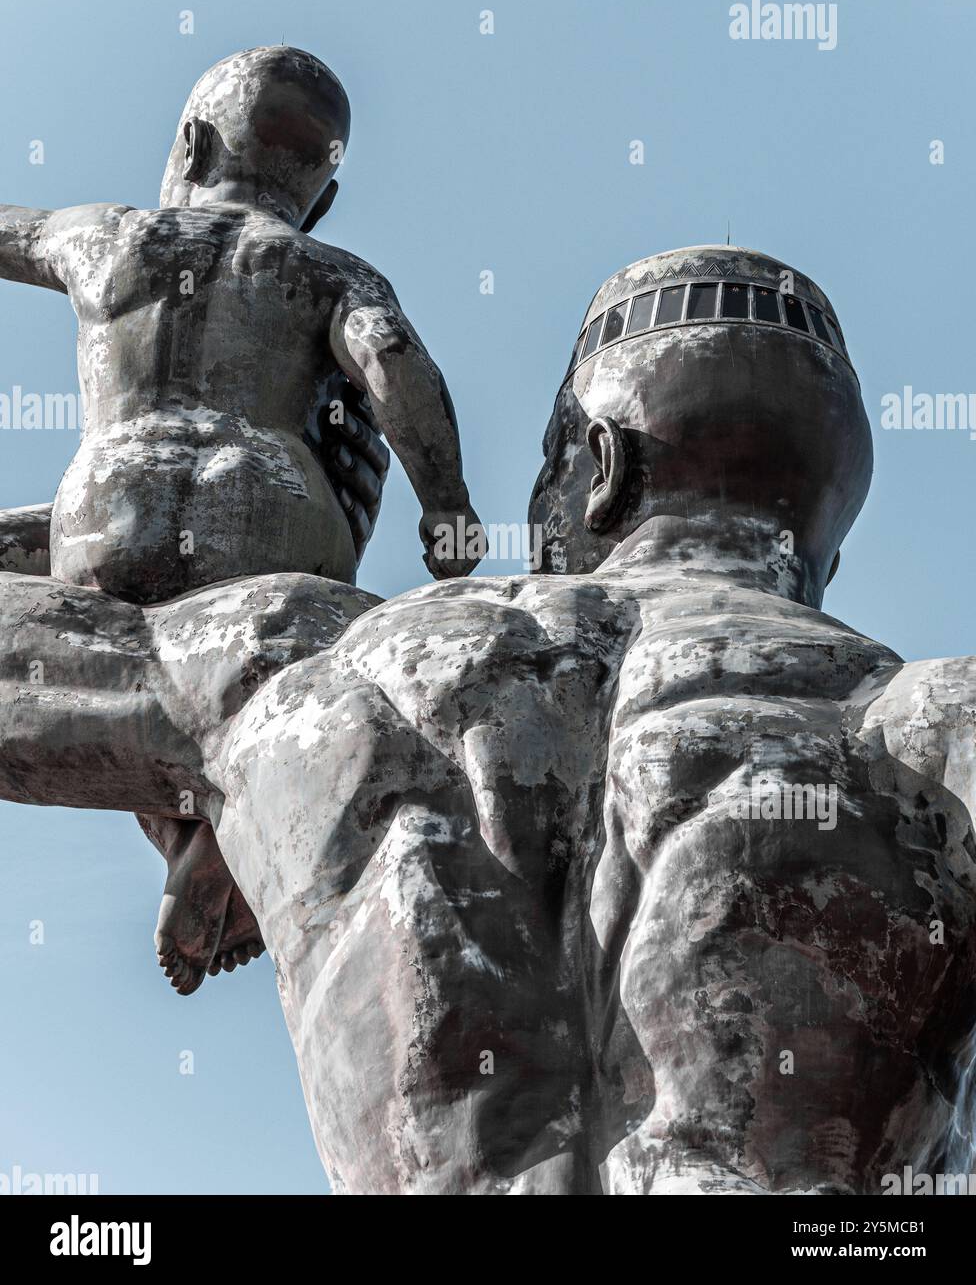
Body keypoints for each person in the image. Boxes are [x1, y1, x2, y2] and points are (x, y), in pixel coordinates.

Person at [1, 247, 973, 1193]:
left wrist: (142, 512)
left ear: (598, 466)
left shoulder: (305, 659)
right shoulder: (931, 729)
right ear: (820, 550)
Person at [0, 44, 481, 989]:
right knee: (225, 677)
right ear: (322, 196)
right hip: (274, 530)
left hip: (107, 525)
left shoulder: (103, 234)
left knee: (127, 661)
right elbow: (396, 368)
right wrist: (447, 506)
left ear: (190, 143)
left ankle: (186, 830)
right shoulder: (325, 267)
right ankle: (205, 835)